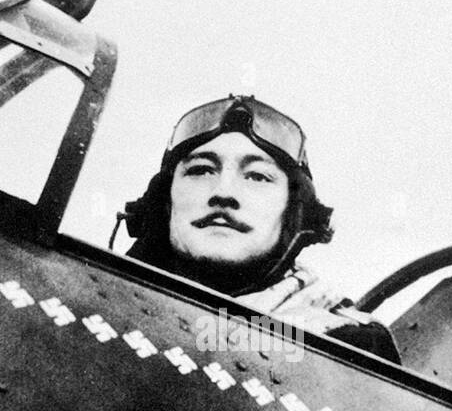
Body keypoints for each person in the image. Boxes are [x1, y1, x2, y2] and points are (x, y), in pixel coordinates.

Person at [117, 95, 401, 364]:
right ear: (164, 200)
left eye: (257, 176)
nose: (224, 192)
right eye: (201, 170)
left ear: (293, 211)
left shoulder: (347, 344)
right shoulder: (100, 304)